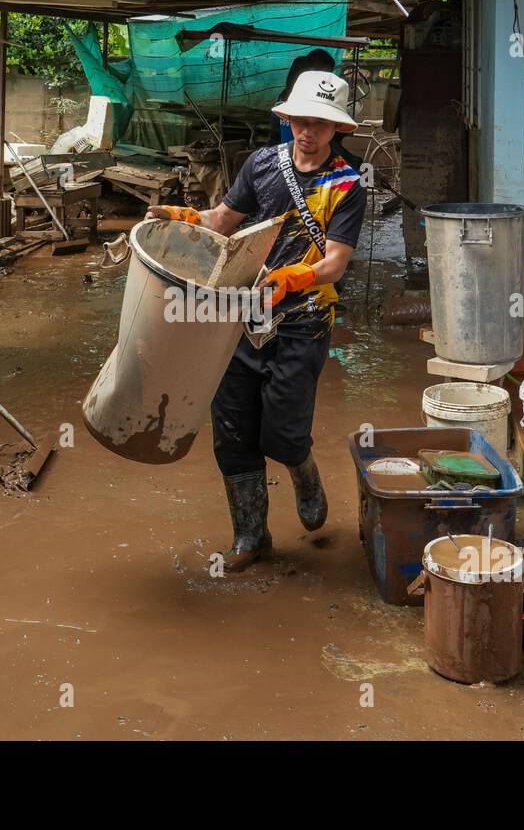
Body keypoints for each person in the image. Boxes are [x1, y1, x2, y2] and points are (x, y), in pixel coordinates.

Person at [148, 71, 366, 570]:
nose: (307, 131)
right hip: (239, 316)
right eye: (298, 121)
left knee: (282, 435)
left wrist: (293, 278)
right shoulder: (262, 164)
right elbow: (222, 221)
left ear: (335, 129)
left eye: (319, 123)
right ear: (286, 119)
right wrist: (184, 219)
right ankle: (251, 538)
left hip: (303, 321)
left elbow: (335, 262)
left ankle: (302, 467)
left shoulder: (347, 185)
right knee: (233, 431)